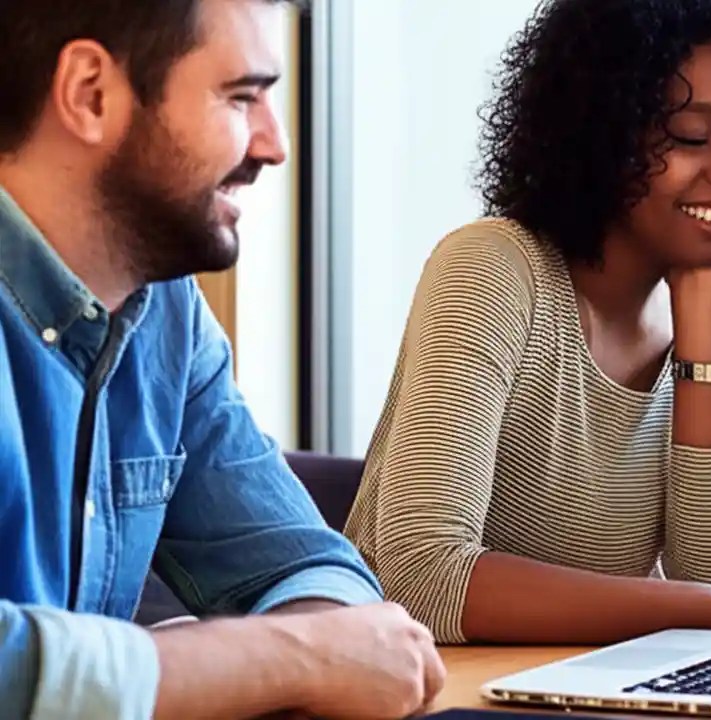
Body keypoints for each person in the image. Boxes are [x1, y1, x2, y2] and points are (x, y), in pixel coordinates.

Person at [0, 1, 445, 718]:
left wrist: (278, 658)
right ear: (90, 94)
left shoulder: (164, 315)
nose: (275, 144)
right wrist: (288, 659)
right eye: (241, 97)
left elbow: (309, 566)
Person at [343, 0, 711, 645]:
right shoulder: (494, 270)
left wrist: (705, 312)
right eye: (690, 136)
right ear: (599, 138)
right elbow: (423, 579)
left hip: (581, 689)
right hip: (423, 688)